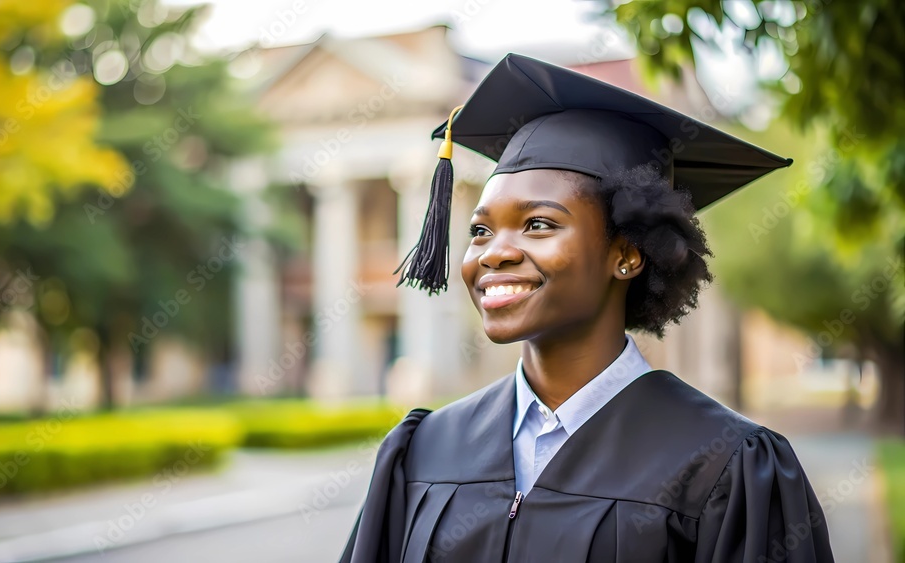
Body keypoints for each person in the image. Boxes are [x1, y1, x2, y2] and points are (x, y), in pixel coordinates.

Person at [339, 53, 834, 563]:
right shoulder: (426, 448)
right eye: (480, 231)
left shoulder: (725, 464)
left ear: (627, 254)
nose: (495, 253)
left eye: (539, 224)